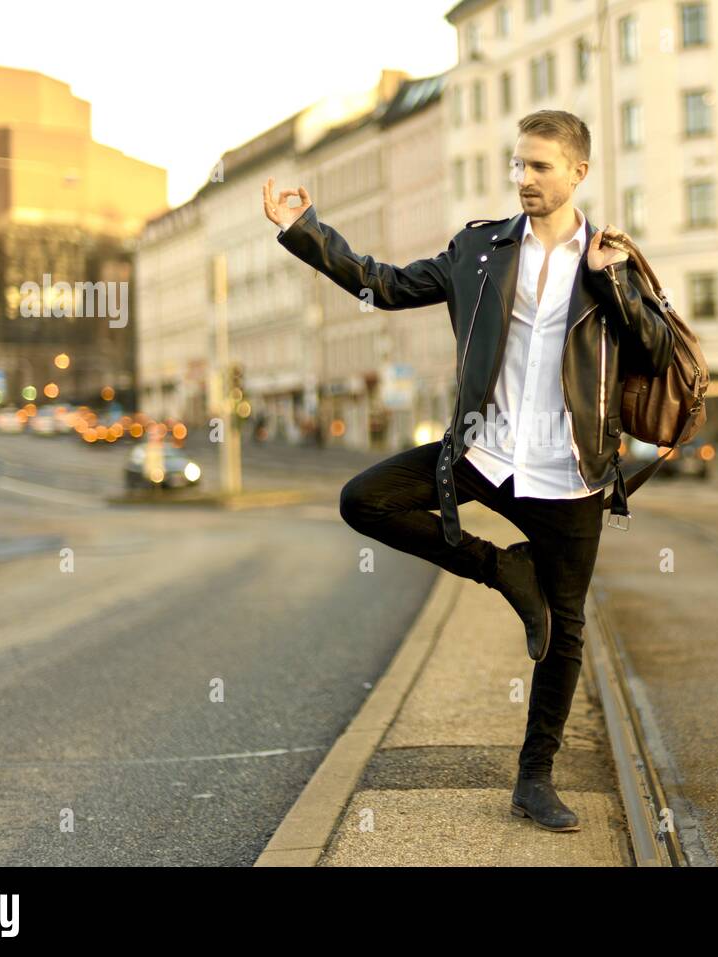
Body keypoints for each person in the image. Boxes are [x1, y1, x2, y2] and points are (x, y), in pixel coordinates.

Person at [262, 110, 674, 833]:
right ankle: (502, 571)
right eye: (518, 165)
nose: (524, 179)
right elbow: (384, 285)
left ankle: (534, 777)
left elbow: (658, 352)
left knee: (566, 629)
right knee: (365, 500)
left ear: (579, 171)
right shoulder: (479, 249)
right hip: (482, 452)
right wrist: (307, 232)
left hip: (569, 471)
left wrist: (616, 285)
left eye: (540, 166)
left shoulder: (611, 260)